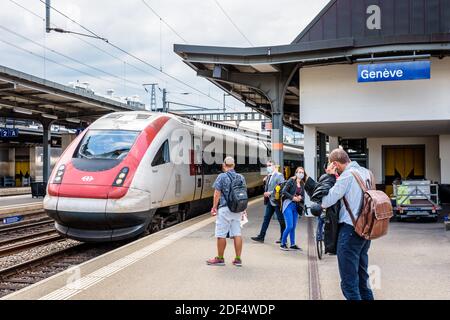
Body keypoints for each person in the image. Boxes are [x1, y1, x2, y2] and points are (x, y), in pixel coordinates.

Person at [319, 148, 374, 300]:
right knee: (363, 279)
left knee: (349, 283)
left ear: (335, 164)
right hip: (366, 229)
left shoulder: (347, 176)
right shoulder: (367, 172)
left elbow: (325, 201)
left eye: (332, 165)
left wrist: (330, 176)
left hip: (350, 231)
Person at [207, 156, 246, 267]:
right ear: (234, 165)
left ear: (224, 165)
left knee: (221, 234)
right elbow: (243, 194)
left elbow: (217, 193)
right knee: (237, 233)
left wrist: (214, 206)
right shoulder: (241, 177)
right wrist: (243, 209)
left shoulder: (222, 177)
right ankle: (238, 259)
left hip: (225, 208)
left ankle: (220, 258)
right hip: (237, 209)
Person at [251, 160, 286, 244]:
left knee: (281, 220)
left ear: (274, 166)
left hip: (277, 202)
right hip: (270, 202)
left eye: (270, 165)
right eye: (267, 166)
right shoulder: (268, 176)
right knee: (266, 219)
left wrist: (269, 193)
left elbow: (282, 188)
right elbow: (268, 187)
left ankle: (283, 238)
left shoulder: (279, 175)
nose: (268, 167)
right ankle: (261, 237)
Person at [280, 167, 305, 251]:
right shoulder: (291, 181)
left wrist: (300, 197)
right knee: (289, 226)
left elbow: (303, 195)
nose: (301, 174)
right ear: (296, 173)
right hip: (288, 205)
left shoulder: (302, 183)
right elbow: (284, 191)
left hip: (296, 206)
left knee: (293, 227)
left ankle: (292, 244)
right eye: (299, 172)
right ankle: (282, 243)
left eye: (302, 172)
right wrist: (292, 198)